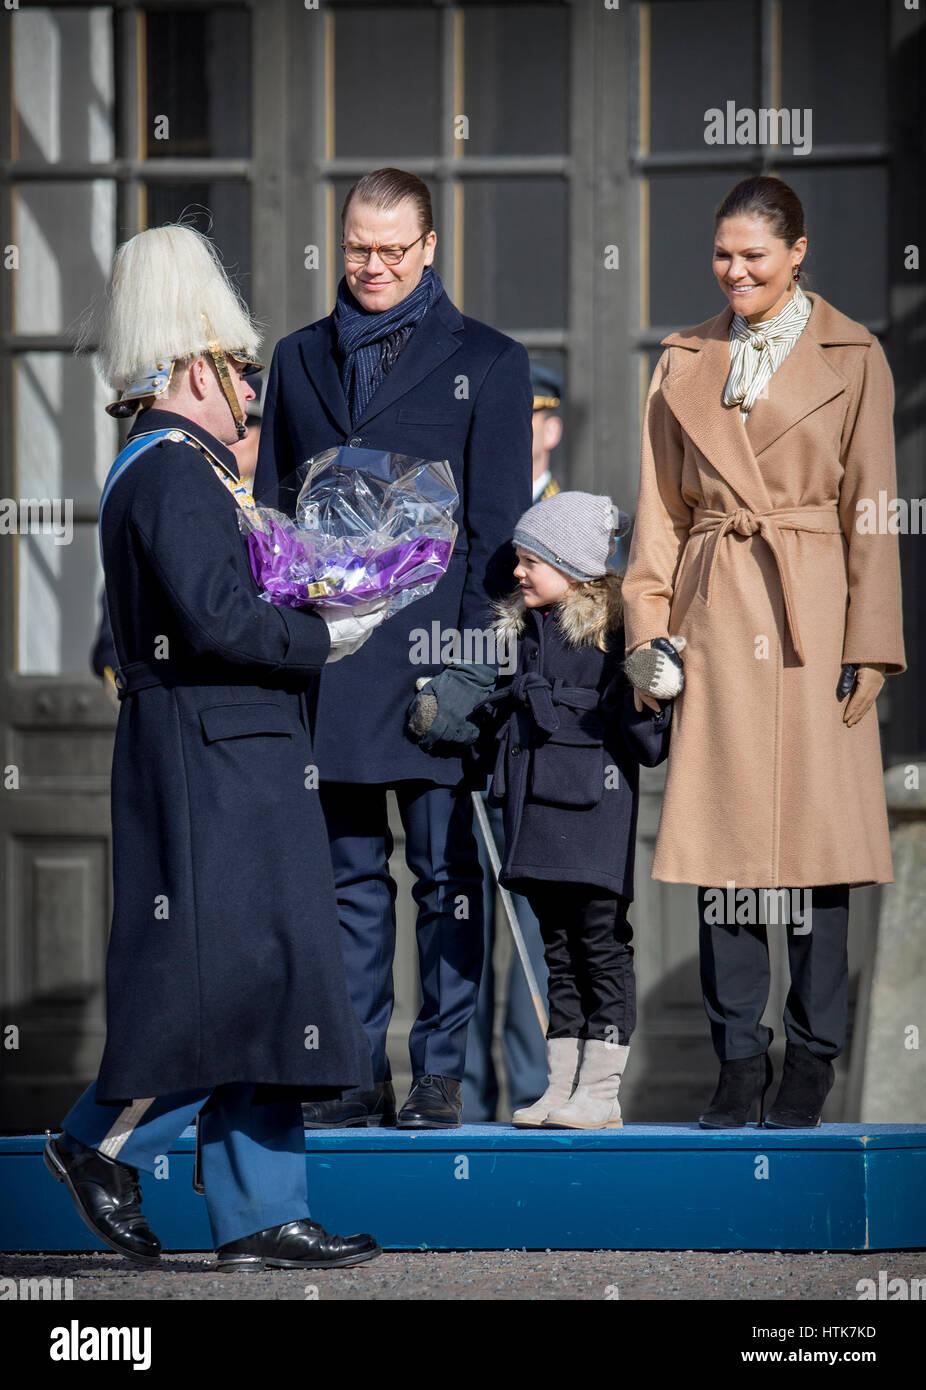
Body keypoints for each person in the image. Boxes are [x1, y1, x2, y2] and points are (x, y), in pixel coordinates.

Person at [45, 223, 386, 1271]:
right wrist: (322, 632)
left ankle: (256, 1211)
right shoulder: (169, 469)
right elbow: (217, 622)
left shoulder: (184, 465)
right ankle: (98, 1140)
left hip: (236, 744)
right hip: (210, 747)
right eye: (236, 365)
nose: (248, 383)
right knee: (219, 976)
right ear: (194, 365)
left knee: (270, 974)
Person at [621, 176, 905, 1129]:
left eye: (754, 255)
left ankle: (812, 1059)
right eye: (722, 255)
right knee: (728, 853)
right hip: (713, 616)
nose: (735, 271)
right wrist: (646, 636)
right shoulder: (683, 359)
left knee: (823, 856)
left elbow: (872, 511)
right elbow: (658, 516)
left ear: (798, 252)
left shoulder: (855, 353)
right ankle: (739, 1062)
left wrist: (872, 643)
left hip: (814, 612)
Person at [256, 168, 532, 1129]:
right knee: (345, 881)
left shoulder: (491, 362)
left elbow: (499, 535)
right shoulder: (295, 359)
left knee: (448, 877)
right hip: (330, 665)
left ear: (429, 251)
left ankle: (440, 1075)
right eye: (356, 247)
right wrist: (289, 640)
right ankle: (350, 1071)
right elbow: (276, 521)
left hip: (433, 670)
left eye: (390, 250)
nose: (371, 266)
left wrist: (466, 667)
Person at [421, 492, 673, 1127]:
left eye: (532, 560)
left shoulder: (615, 635)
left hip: (592, 817)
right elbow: (506, 708)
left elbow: (645, 741)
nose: (517, 571)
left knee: (601, 947)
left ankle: (601, 1092)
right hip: (535, 818)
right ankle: (562, 1087)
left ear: (573, 565)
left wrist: (653, 694)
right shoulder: (527, 629)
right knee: (557, 952)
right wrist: (455, 712)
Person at [462, 360, 567, 1121]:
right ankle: (463, 1102)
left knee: (537, 934)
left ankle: (536, 1096)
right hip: (473, 754)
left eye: (527, 419)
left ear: (551, 426)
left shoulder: (584, 523)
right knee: (463, 927)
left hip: (546, 763)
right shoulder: (473, 512)